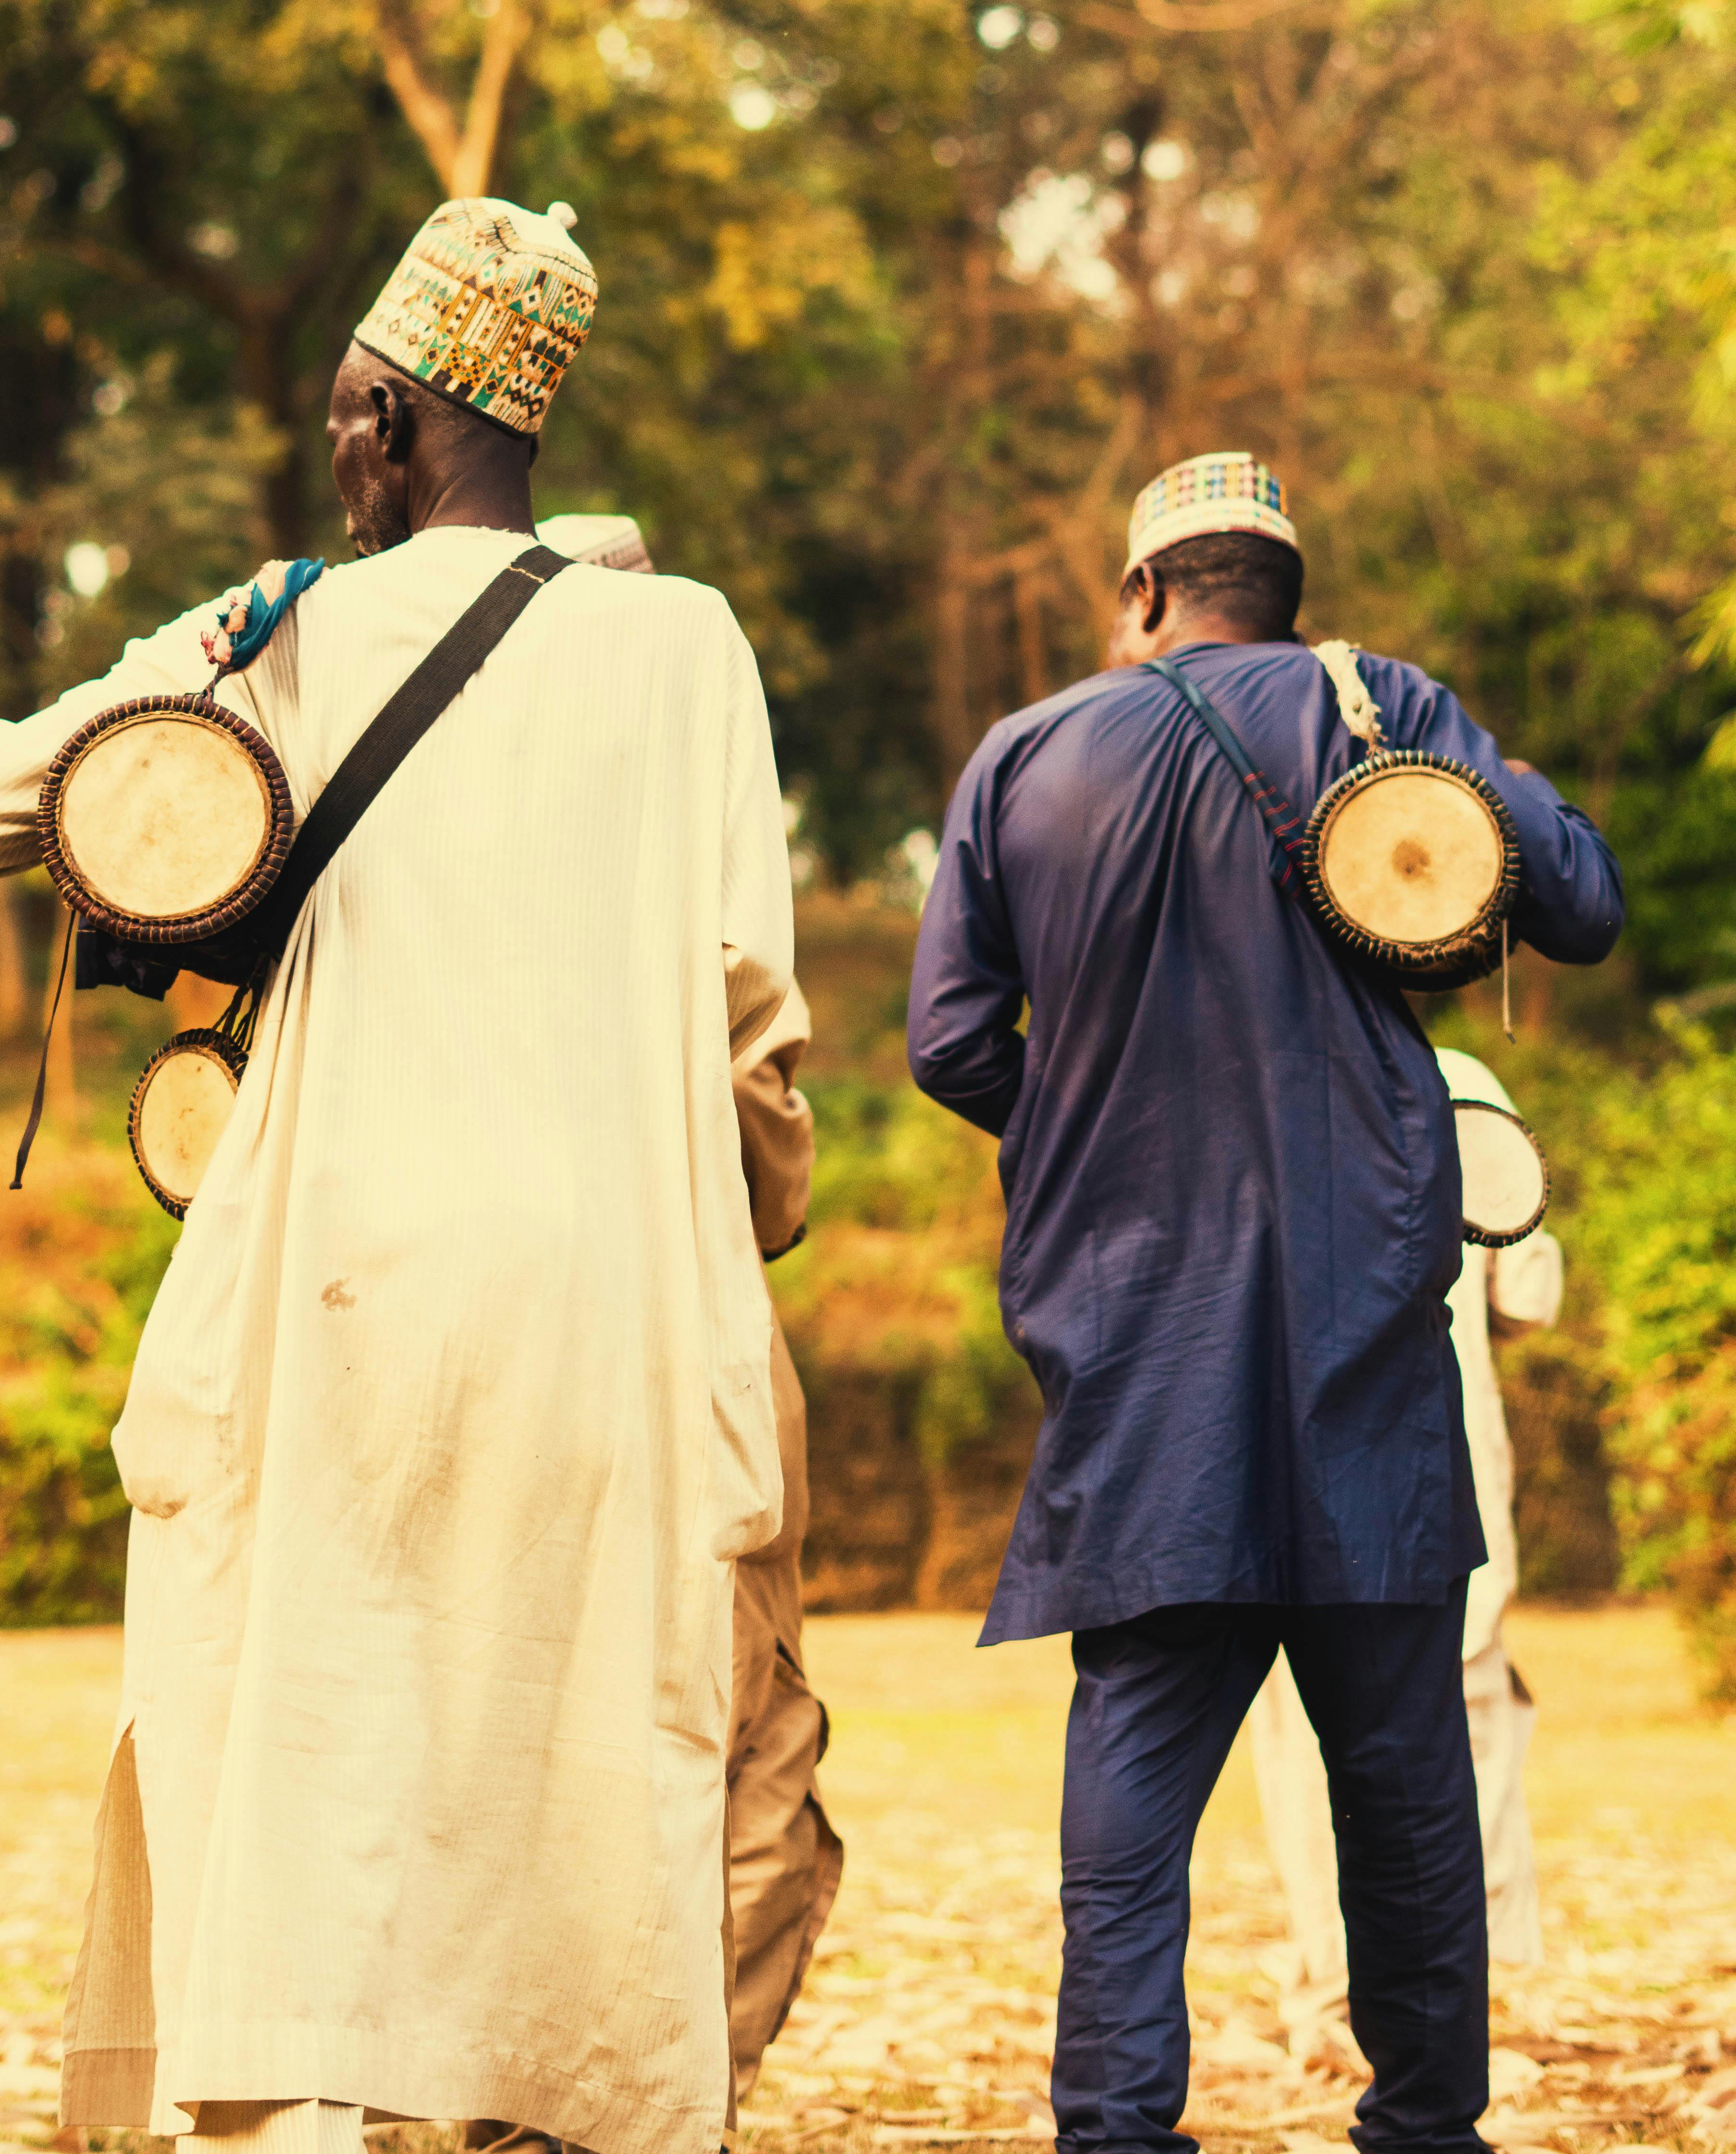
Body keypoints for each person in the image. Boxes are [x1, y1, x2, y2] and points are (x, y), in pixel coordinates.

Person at [0, 199, 794, 2154]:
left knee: (304, 1719)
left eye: (341, 420)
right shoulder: (687, 646)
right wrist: (754, 1241)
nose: (333, 455)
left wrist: (199, 656)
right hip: (604, 1294)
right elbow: (753, 1023)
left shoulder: (284, 631)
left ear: (389, 417)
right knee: (556, 1740)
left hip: (337, 1277)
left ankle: (300, 2108)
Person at [905, 451, 1622, 2154]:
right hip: (1362, 1326)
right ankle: (1425, 2130)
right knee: (1403, 1786)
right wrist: (1503, 777)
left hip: (1143, 1343)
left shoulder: (1027, 755)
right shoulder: (1382, 712)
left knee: (1135, 1783)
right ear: (1284, 599)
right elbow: (1577, 904)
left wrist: (1095, 1126)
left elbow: (947, 1041)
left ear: (1147, 596)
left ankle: (1119, 2130)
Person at [539, 514, 843, 2103]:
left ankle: (496, 2093)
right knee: (744, 1726)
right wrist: (769, 1200)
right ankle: (667, 2096)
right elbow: (753, 1072)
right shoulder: (678, 847)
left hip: (464, 1334)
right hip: (676, 1318)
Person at [1249, 1046, 1563, 2057]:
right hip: (1442, 1457)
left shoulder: (1251, 1066)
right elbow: (1527, 1294)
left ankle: (1325, 1994)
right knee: (1463, 1727)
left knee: (1302, 1732)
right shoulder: (1464, 1077)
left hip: (1282, 1461)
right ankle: (1468, 2004)